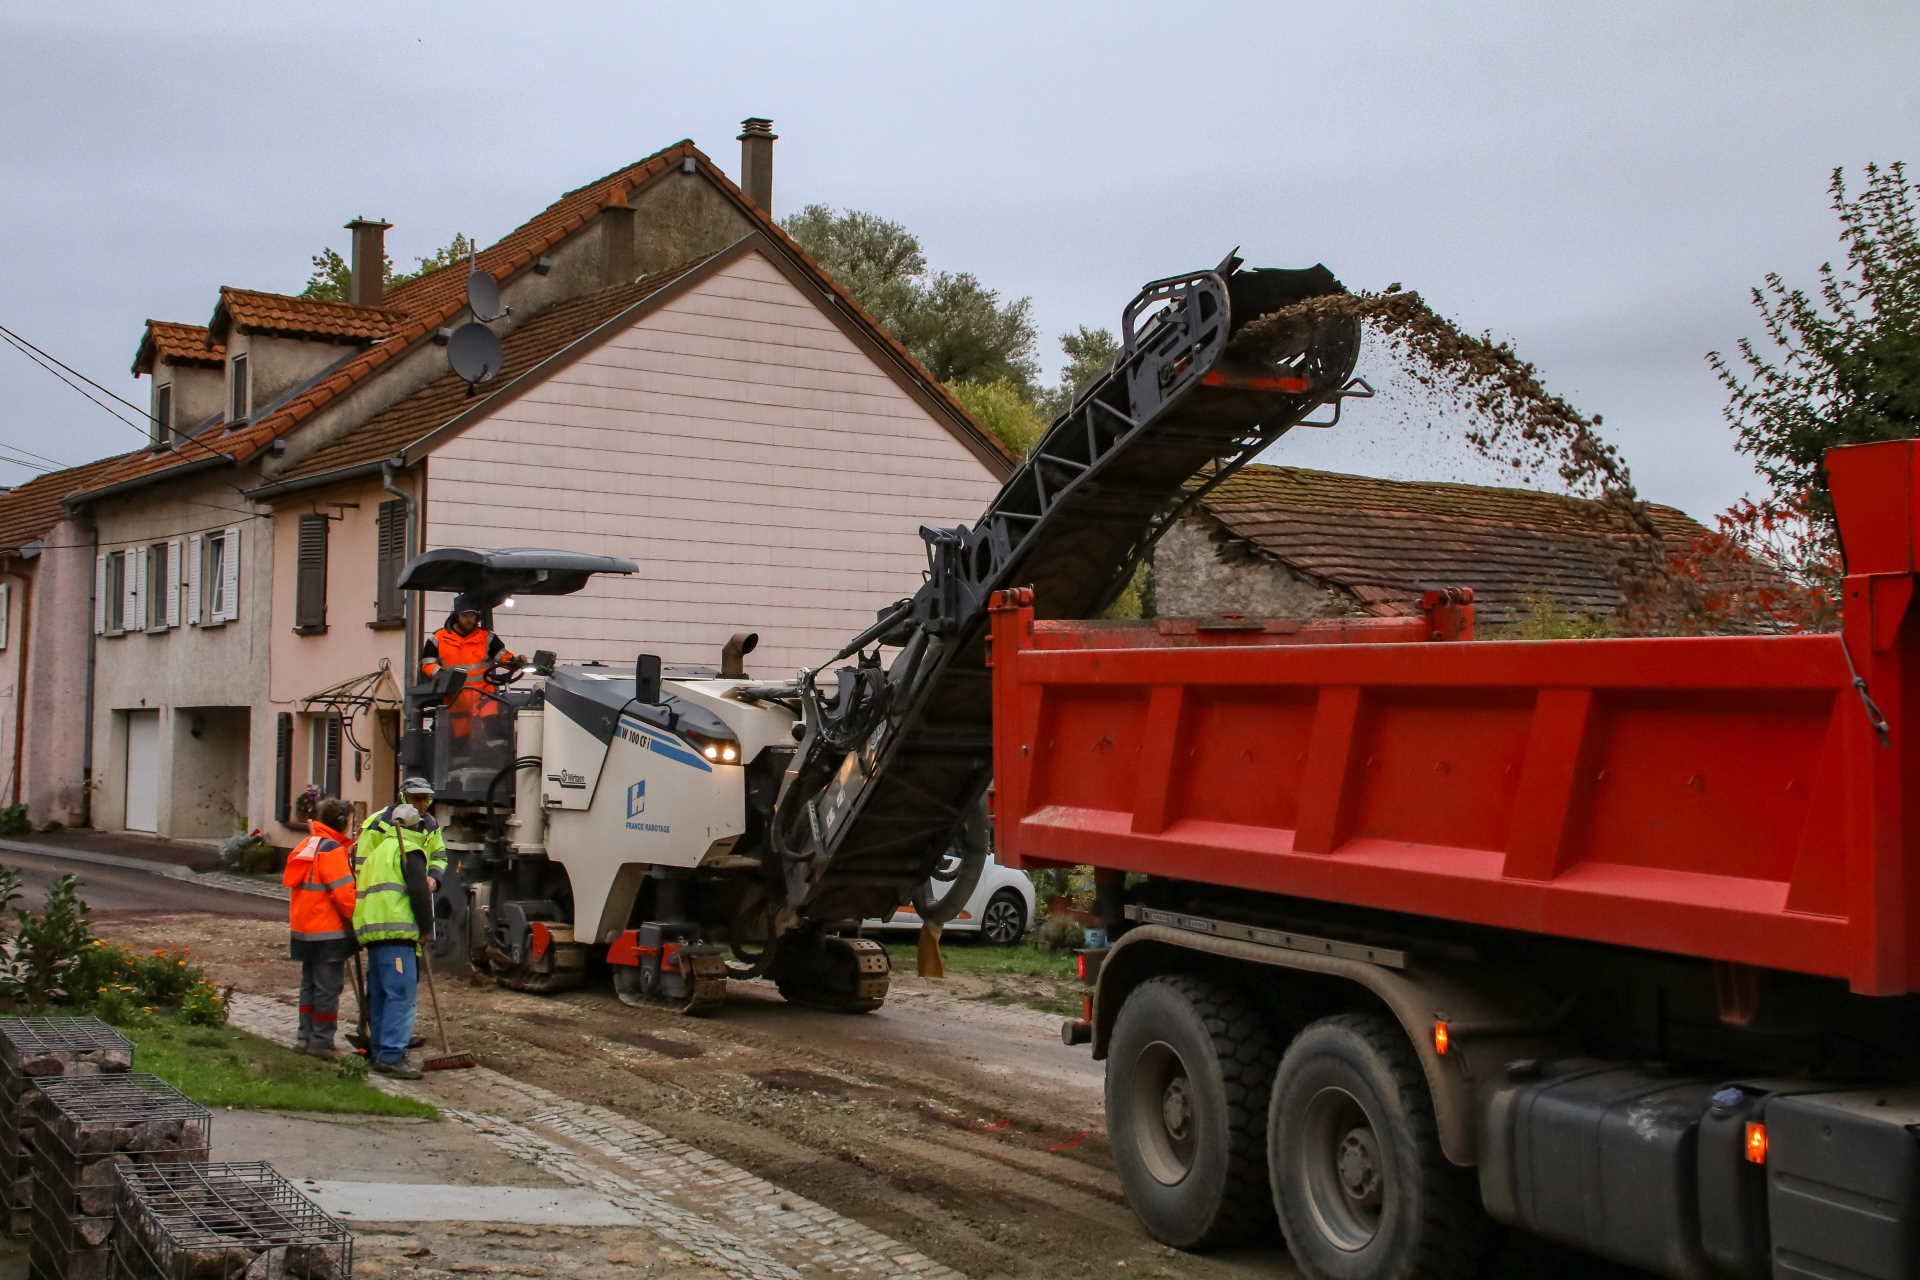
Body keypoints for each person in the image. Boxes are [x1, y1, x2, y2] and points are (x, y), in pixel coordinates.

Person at [352, 801, 434, 1079]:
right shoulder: (409, 850)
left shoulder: (376, 854)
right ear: (417, 827)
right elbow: (419, 893)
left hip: (374, 934)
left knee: (379, 995)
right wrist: (426, 928)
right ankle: (390, 1055)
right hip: (398, 935)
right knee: (400, 996)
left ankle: (378, 1050)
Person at [283, 797, 356, 1059]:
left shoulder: (307, 844)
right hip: (327, 931)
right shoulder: (332, 850)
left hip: (303, 929)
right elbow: (344, 895)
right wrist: (356, 920)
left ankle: (304, 1036)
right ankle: (322, 1042)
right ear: (342, 822)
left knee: (309, 987)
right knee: (327, 989)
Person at [420, 595, 521, 739]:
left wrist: (516, 662)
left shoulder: (487, 638)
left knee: (496, 738)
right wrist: (442, 674)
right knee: (457, 743)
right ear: (456, 616)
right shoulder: (438, 638)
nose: (469, 620)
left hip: (484, 699)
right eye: (465, 615)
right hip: (455, 699)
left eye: (472, 615)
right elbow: (427, 664)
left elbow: (505, 658)